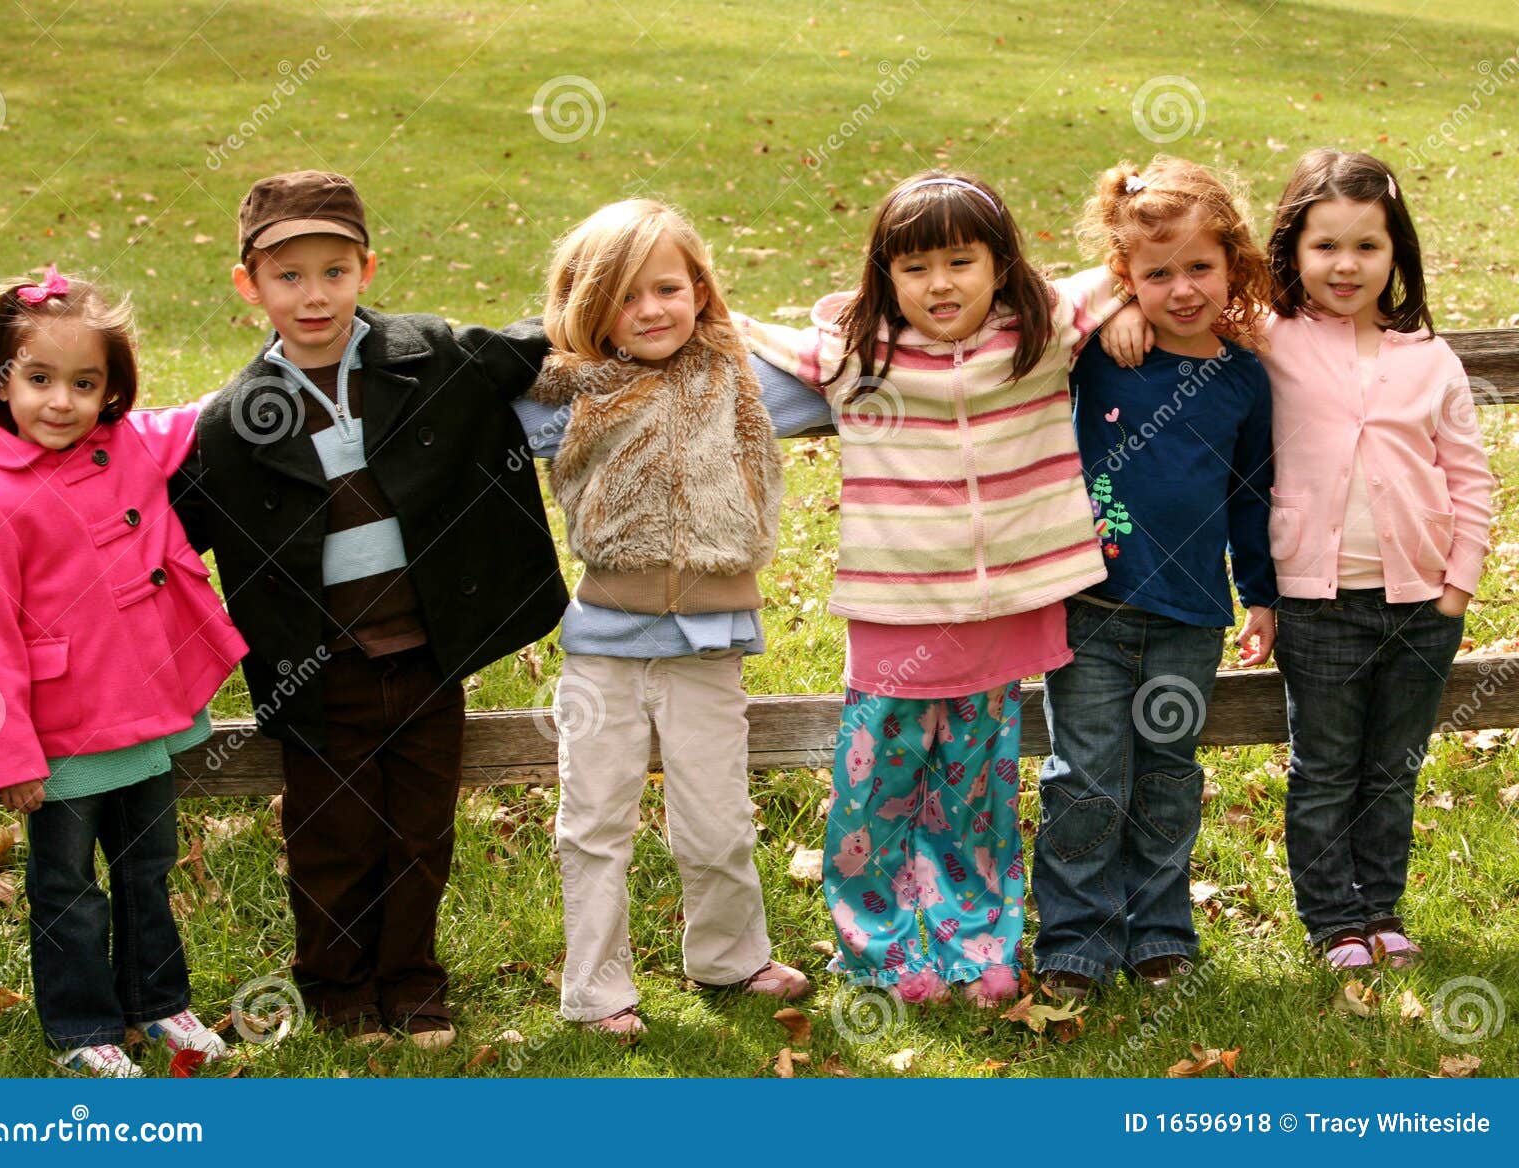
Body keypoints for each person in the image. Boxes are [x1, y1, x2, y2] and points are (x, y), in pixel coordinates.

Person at [171, 171, 568, 1046]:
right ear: (249, 285)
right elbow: (167, 529)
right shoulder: (232, 422)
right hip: (323, 672)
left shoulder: (427, 356)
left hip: (428, 654)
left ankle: (414, 984)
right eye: (288, 276)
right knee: (335, 841)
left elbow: (539, 345)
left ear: (366, 269)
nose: (314, 295)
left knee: (422, 833)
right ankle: (341, 991)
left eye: (334, 271)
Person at [1102, 150, 1494, 970]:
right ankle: (1331, 924)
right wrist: (1114, 309)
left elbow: (1470, 477)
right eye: (1324, 247)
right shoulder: (1265, 337)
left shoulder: (1429, 357)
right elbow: (1172, 284)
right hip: (1316, 601)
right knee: (1323, 769)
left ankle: (1381, 910)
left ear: (1397, 256)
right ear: (1291, 252)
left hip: (1423, 606)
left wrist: (1457, 589)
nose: (1345, 266)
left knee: (1392, 769)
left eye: (1366, 247)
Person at [742, 171, 1121, 1005]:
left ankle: (975, 944)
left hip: (1000, 611)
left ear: (1001, 265)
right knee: (877, 787)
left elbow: (1127, 267)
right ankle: (878, 949)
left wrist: (1128, 292)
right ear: (886, 279)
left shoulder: (1042, 333)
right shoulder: (858, 357)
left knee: (976, 786)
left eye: (961, 261)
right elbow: (748, 334)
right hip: (897, 611)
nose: (940, 285)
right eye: (915, 269)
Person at [0, 267, 247, 1076]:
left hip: (146, 705)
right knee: (68, 889)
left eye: (85, 384)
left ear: (111, 391)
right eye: (39, 379)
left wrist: (287, 362)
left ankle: (159, 1002)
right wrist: (7, 754)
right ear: (0, 380)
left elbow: (209, 417)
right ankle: (84, 1029)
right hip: (64, 732)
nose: (60, 402)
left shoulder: (128, 446)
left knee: (147, 866)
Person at [521, 199, 809, 1039]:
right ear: (586, 306)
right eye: (623, 296)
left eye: (668, 288)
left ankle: (729, 956)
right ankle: (597, 991)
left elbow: (850, 365)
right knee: (593, 820)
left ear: (701, 290)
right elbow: (467, 399)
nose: (650, 311)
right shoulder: (562, 396)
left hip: (708, 647)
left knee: (716, 816)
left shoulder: (742, 380)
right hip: (603, 649)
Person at [1033, 157, 1275, 1001]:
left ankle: (1160, 929)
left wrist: (1264, 596)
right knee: (1086, 776)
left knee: (1168, 775)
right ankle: (1075, 938)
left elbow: (1251, 498)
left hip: (1191, 615)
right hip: (1090, 607)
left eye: (1199, 267)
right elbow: (1035, 305)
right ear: (1125, 275)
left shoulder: (1245, 380)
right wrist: (1111, 307)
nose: (1181, 289)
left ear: (1233, 267)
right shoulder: (1095, 356)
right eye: (1156, 273)